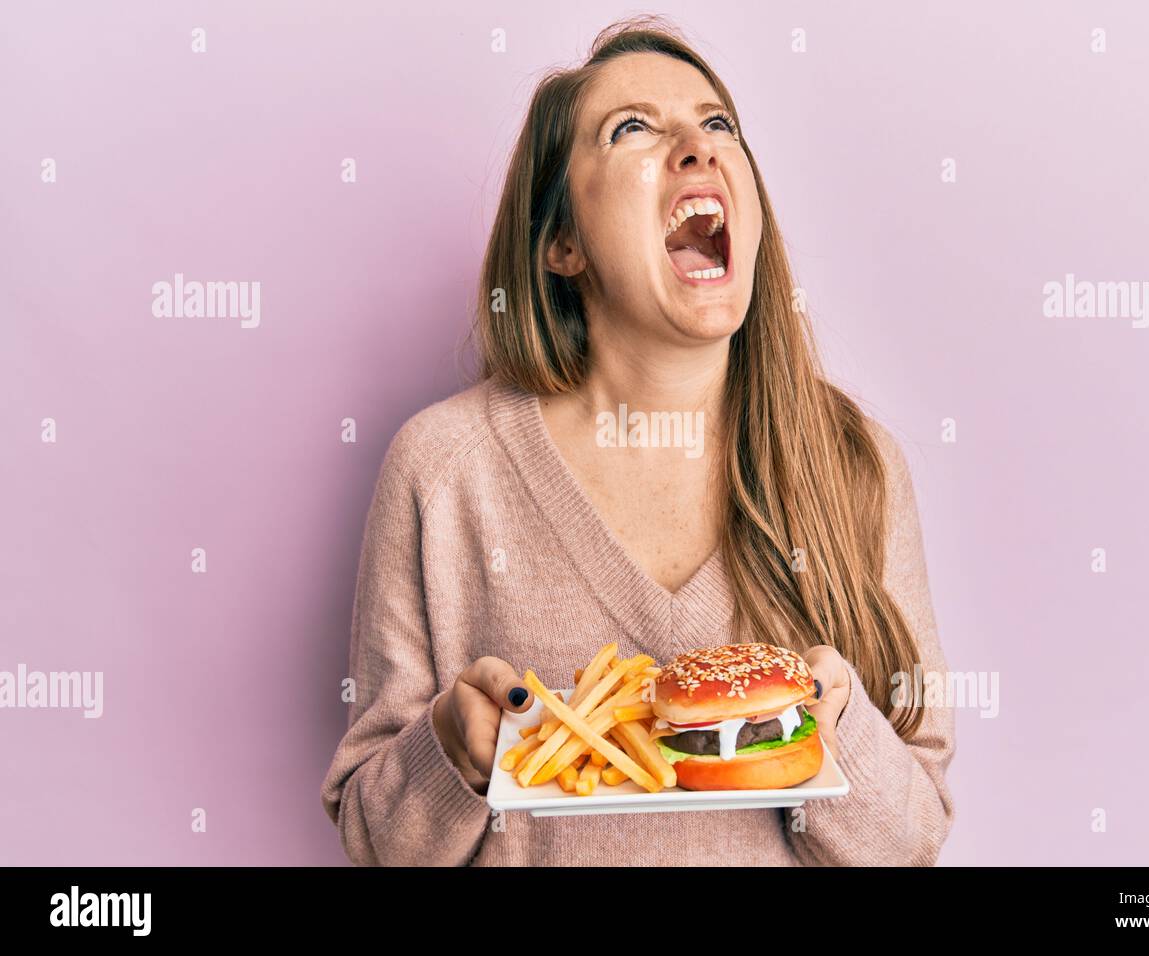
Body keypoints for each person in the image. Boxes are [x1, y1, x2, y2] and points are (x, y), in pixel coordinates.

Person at [320, 16, 955, 866]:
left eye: (717, 124)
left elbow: (915, 838)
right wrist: (450, 752)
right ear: (561, 243)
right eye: (633, 130)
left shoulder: (855, 464)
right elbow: (372, 836)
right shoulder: (443, 469)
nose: (697, 147)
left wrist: (836, 728)